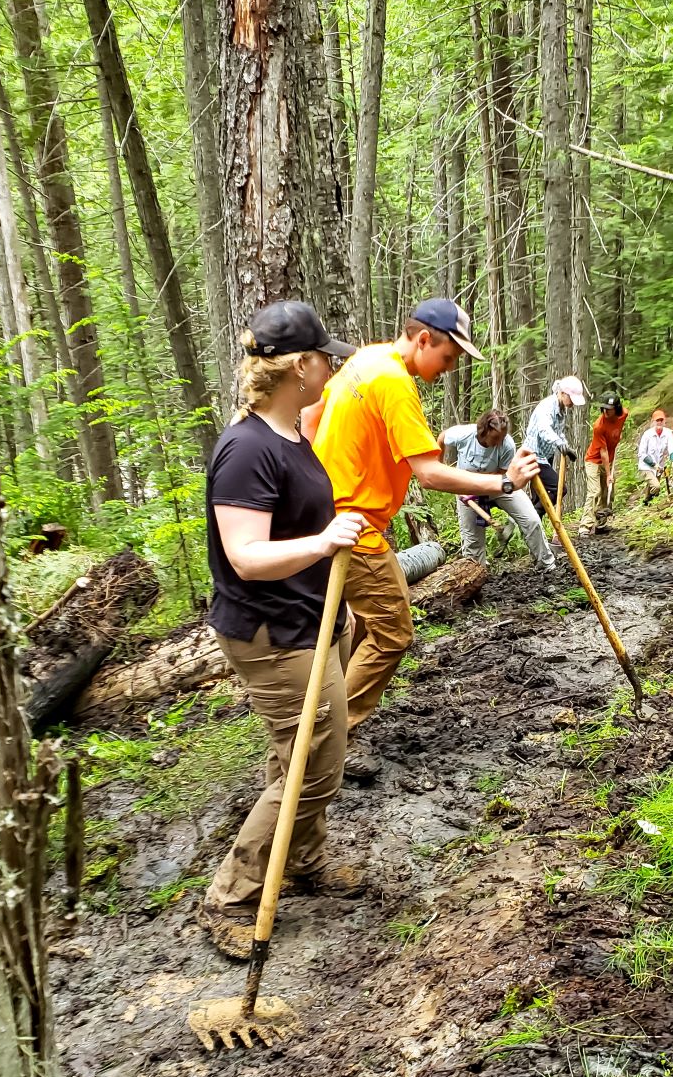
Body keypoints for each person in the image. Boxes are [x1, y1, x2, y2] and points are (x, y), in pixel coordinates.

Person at [302, 298, 540, 772]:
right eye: (448, 357)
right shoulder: (394, 381)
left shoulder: (366, 359)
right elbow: (428, 473)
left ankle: (323, 726)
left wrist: (318, 481)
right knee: (393, 632)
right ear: (424, 339)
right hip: (353, 529)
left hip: (325, 515)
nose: (449, 368)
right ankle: (329, 740)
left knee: (361, 628)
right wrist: (505, 483)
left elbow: (310, 418)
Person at [199, 301, 366, 959]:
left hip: (314, 619)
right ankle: (231, 896)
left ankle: (300, 860)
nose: (333, 367)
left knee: (293, 754)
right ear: (302, 366)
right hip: (274, 633)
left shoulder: (290, 433)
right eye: (327, 358)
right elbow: (245, 557)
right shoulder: (246, 450)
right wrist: (325, 543)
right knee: (315, 767)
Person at [439, 409, 556, 572]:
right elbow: (442, 438)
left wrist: (478, 485)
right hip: (466, 489)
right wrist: (440, 468)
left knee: (531, 520)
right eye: (495, 438)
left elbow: (502, 474)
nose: (498, 442)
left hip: (499, 485)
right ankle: (476, 573)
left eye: (501, 438)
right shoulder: (464, 434)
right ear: (483, 431)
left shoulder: (507, 444)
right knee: (473, 542)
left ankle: (546, 564)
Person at [522, 375, 587, 514]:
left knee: (539, 496)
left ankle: (530, 522)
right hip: (534, 456)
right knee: (560, 489)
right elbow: (544, 429)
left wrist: (565, 447)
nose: (572, 403)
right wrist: (558, 443)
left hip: (546, 456)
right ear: (562, 393)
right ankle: (532, 514)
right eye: (571, 399)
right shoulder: (547, 407)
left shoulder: (561, 409)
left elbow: (558, 432)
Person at [579, 394, 628, 535]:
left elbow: (620, 425)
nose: (606, 411)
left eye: (609, 409)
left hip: (609, 459)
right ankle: (585, 526)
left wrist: (618, 435)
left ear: (616, 409)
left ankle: (600, 524)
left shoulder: (623, 414)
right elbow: (603, 452)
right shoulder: (599, 426)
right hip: (594, 460)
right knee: (595, 492)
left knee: (608, 492)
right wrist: (608, 475)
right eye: (604, 408)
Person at [637, 409, 673, 502]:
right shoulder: (647, 435)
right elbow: (641, 453)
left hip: (659, 466)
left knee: (653, 490)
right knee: (656, 486)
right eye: (657, 420)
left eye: (661, 420)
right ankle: (648, 501)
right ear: (653, 422)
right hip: (646, 466)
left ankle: (646, 504)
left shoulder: (668, 433)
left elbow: (671, 448)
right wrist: (653, 465)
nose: (659, 422)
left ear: (664, 421)